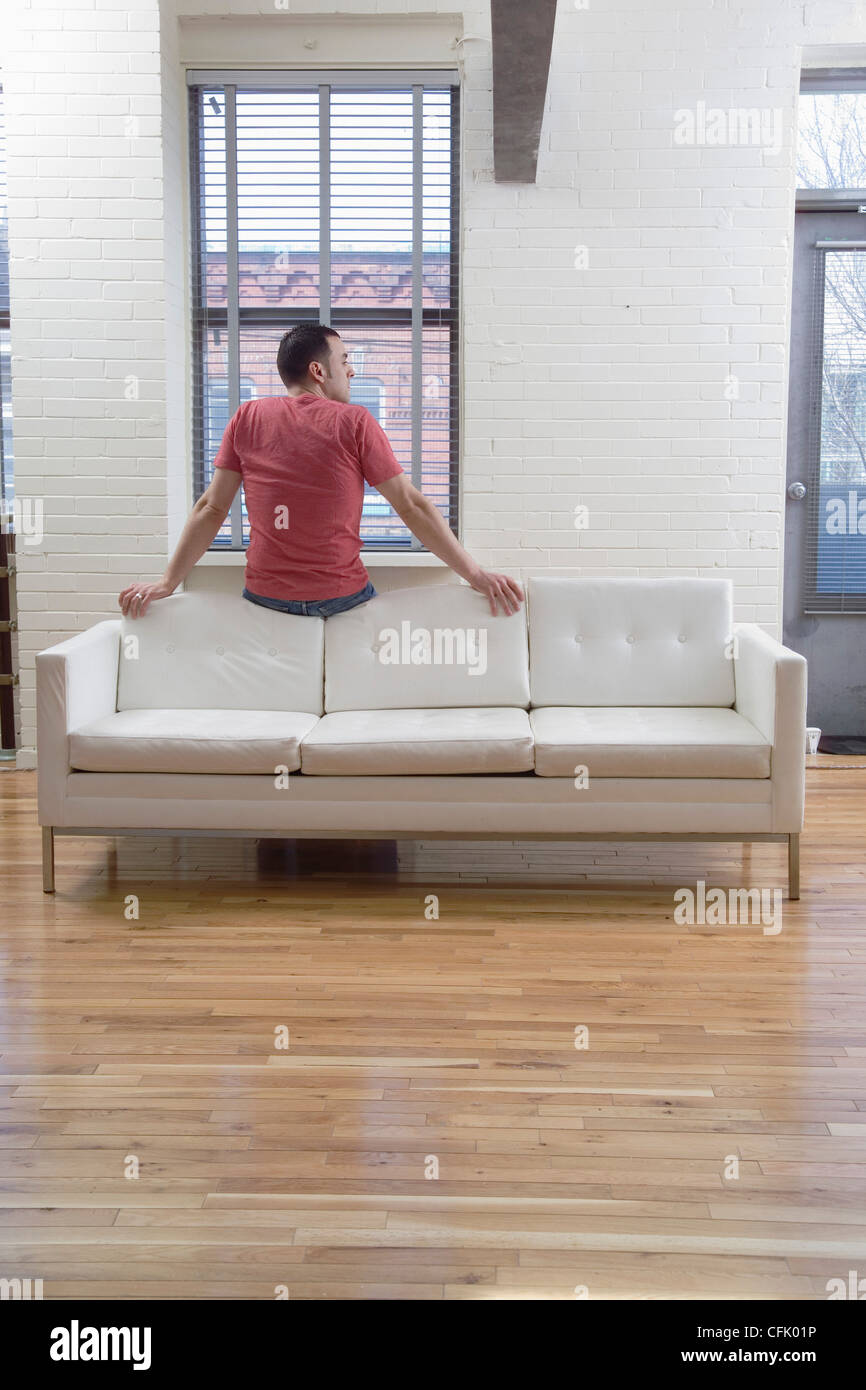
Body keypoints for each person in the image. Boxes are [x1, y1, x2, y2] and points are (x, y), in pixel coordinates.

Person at [119, 323, 524, 620]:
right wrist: (474, 574)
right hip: (342, 599)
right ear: (318, 371)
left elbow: (211, 507)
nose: (351, 371)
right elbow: (411, 505)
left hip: (265, 599)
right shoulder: (355, 422)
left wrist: (168, 581)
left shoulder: (247, 416)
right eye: (344, 361)